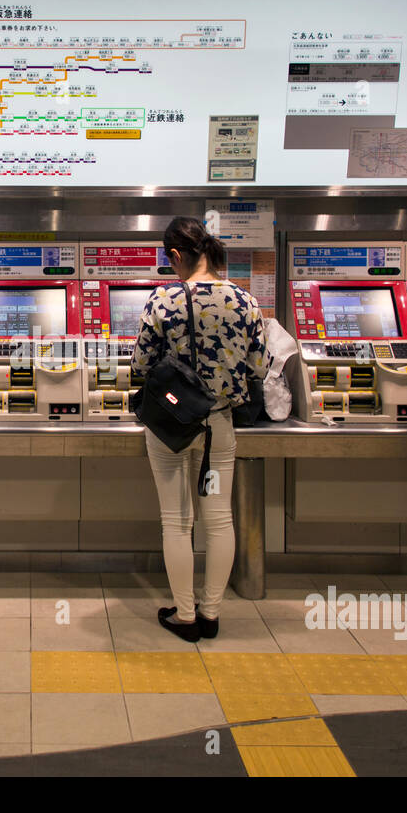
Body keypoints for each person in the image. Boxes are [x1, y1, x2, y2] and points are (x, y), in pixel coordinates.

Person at [131, 217, 269, 642]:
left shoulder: (163, 301)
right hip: (219, 429)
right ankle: (211, 613)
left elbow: (141, 366)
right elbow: (259, 366)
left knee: (176, 521)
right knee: (219, 519)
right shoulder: (246, 302)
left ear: (176, 255)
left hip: (172, 429)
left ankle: (185, 615)